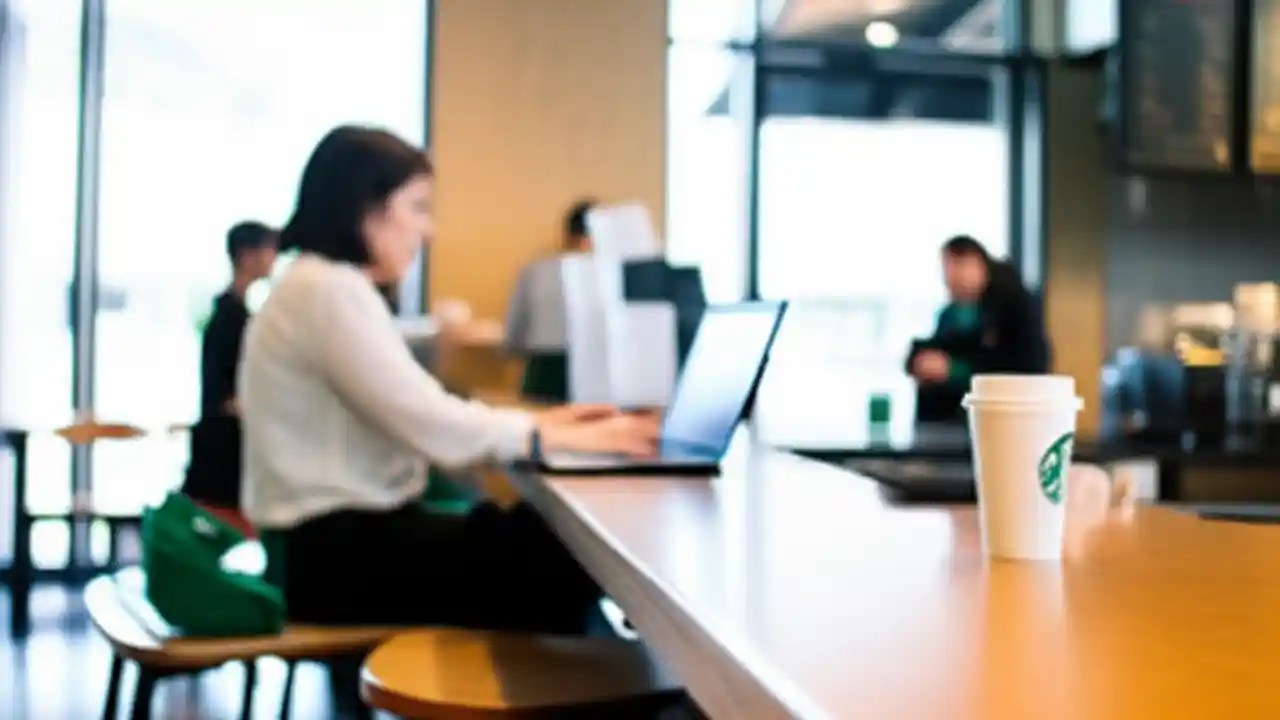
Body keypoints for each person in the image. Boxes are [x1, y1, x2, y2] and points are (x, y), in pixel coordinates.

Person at [240, 126, 658, 632]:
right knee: (568, 552)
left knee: (547, 544)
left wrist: (544, 423)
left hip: (322, 551)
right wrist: (551, 432)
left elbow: (419, 407)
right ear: (365, 209)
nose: (428, 229)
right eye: (416, 207)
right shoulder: (329, 290)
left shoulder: (312, 283)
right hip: (338, 557)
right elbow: (430, 421)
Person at [180, 221, 278, 532]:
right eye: (267, 249)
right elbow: (226, 393)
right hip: (224, 449)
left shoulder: (234, 313)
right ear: (247, 256)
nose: (273, 258)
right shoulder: (230, 319)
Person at [906, 235, 1050, 422]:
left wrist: (953, 370)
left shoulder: (1017, 306)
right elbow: (938, 348)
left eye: (958, 266)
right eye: (946, 269)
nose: (950, 278)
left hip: (1007, 418)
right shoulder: (951, 314)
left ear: (980, 265)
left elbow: (1029, 367)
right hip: (949, 422)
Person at [504, 199, 595, 402]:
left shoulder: (536, 268)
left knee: (541, 426)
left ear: (568, 233)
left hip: (540, 366)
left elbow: (514, 325)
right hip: (589, 368)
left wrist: (509, 349)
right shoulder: (606, 272)